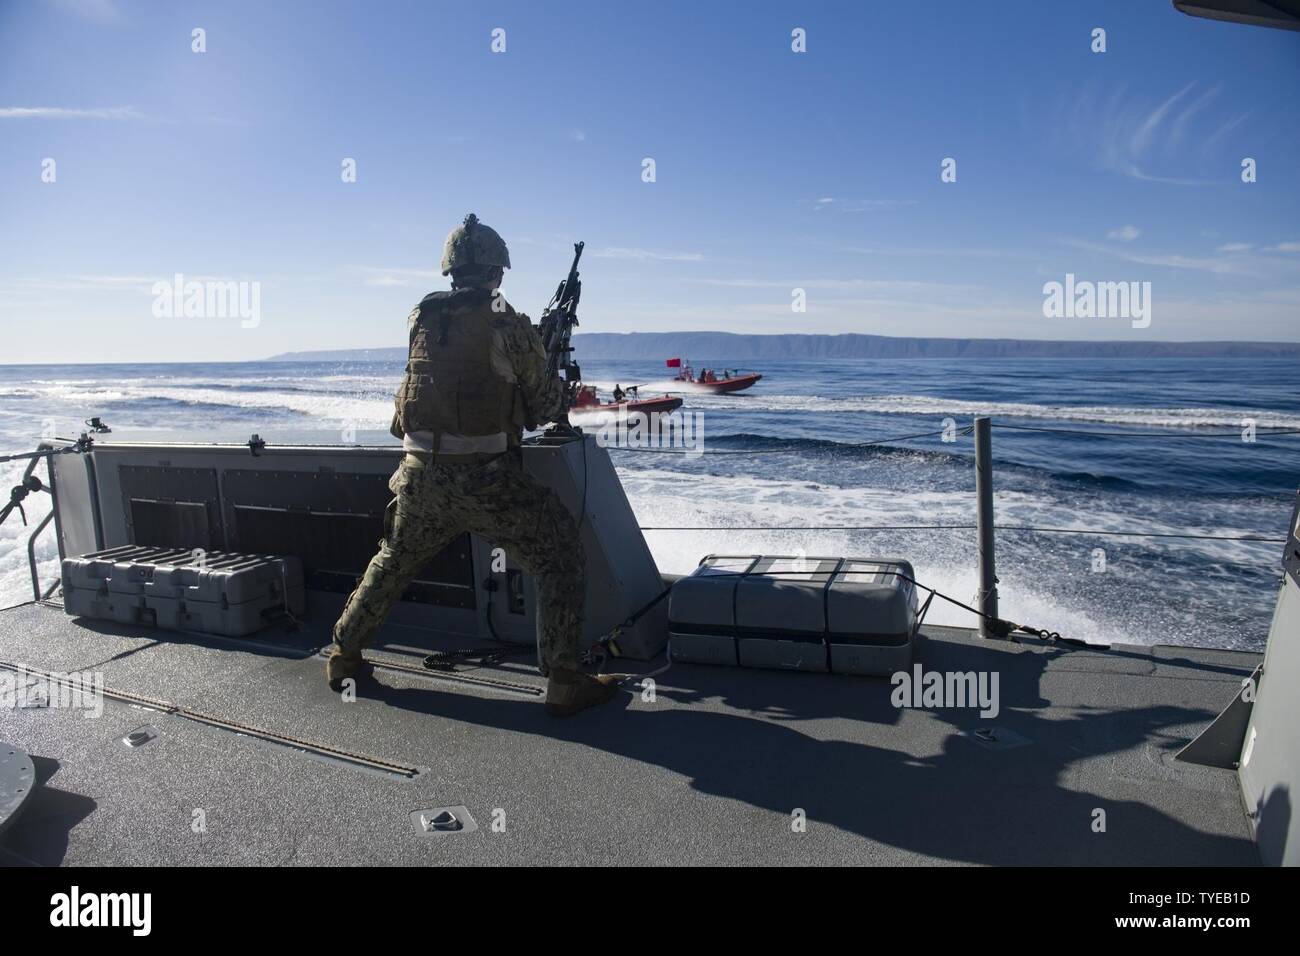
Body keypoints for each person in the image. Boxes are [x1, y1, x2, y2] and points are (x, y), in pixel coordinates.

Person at [326, 213, 621, 718]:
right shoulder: (508, 322)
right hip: (485, 480)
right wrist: (542, 363)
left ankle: (343, 655)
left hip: (418, 475)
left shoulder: (422, 318)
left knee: (393, 560)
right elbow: (547, 406)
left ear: (451, 271)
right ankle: (565, 679)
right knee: (559, 556)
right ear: (497, 271)